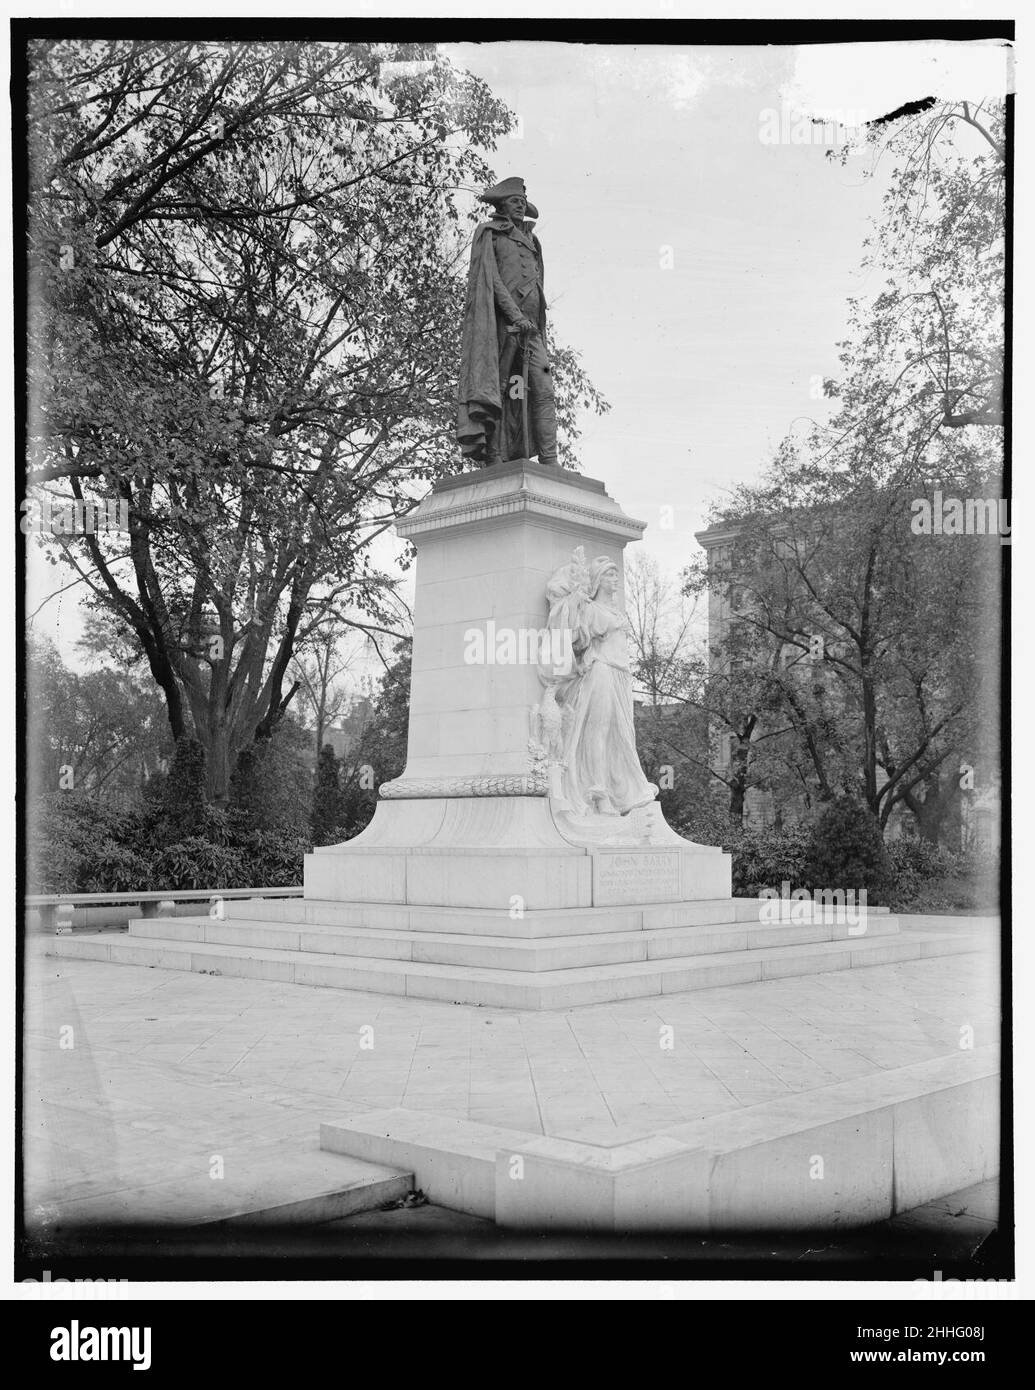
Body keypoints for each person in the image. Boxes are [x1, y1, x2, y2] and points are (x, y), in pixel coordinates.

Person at [543, 549, 658, 817]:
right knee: (600, 730)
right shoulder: (592, 610)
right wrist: (574, 600)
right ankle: (598, 792)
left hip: (620, 675)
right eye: (609, 574)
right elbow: (571, 635)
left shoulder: (613, 611)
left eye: (616, 574)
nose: (615, 579)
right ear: (597, 580)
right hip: (602, 671)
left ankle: (624, 791)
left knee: (622, 735)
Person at [456, 176, 559, 467]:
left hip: (532, 329)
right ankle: (495, 456)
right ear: (502, 205)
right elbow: (492, 280)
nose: (520, 206)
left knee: (544, 389)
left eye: (523, 202)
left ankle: (550, 460)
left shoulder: (532, 239)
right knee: (497, 390)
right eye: (515, 202)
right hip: (501, 326)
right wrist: (514, 315)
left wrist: (531, 319)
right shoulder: (490, 233)